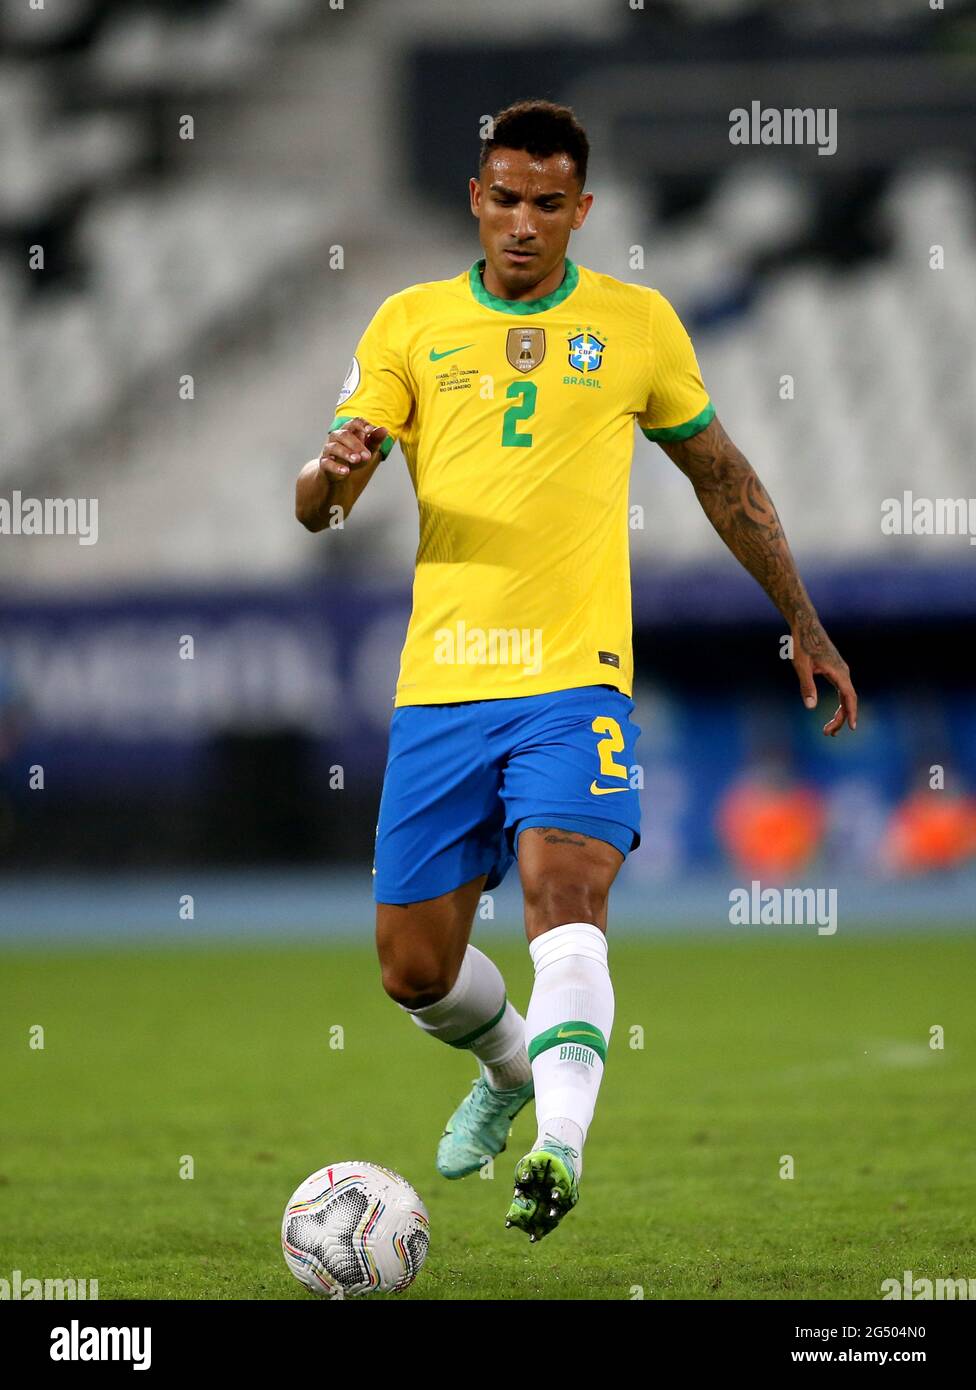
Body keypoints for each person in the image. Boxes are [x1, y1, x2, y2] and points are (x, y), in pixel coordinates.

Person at [295, 99, 857, 1242]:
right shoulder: (410, 323)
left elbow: (723, 477)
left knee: (564, 889)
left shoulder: (637, 324)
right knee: (412, 970)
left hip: (573, 678)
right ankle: (507, 1065)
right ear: (476, 198)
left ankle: (557, 1145)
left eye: (548, 204)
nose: (522, 222)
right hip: (443, 686)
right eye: (504, 197)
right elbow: (320, 508)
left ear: (581, 211)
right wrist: (332, 465)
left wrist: (799, 616)